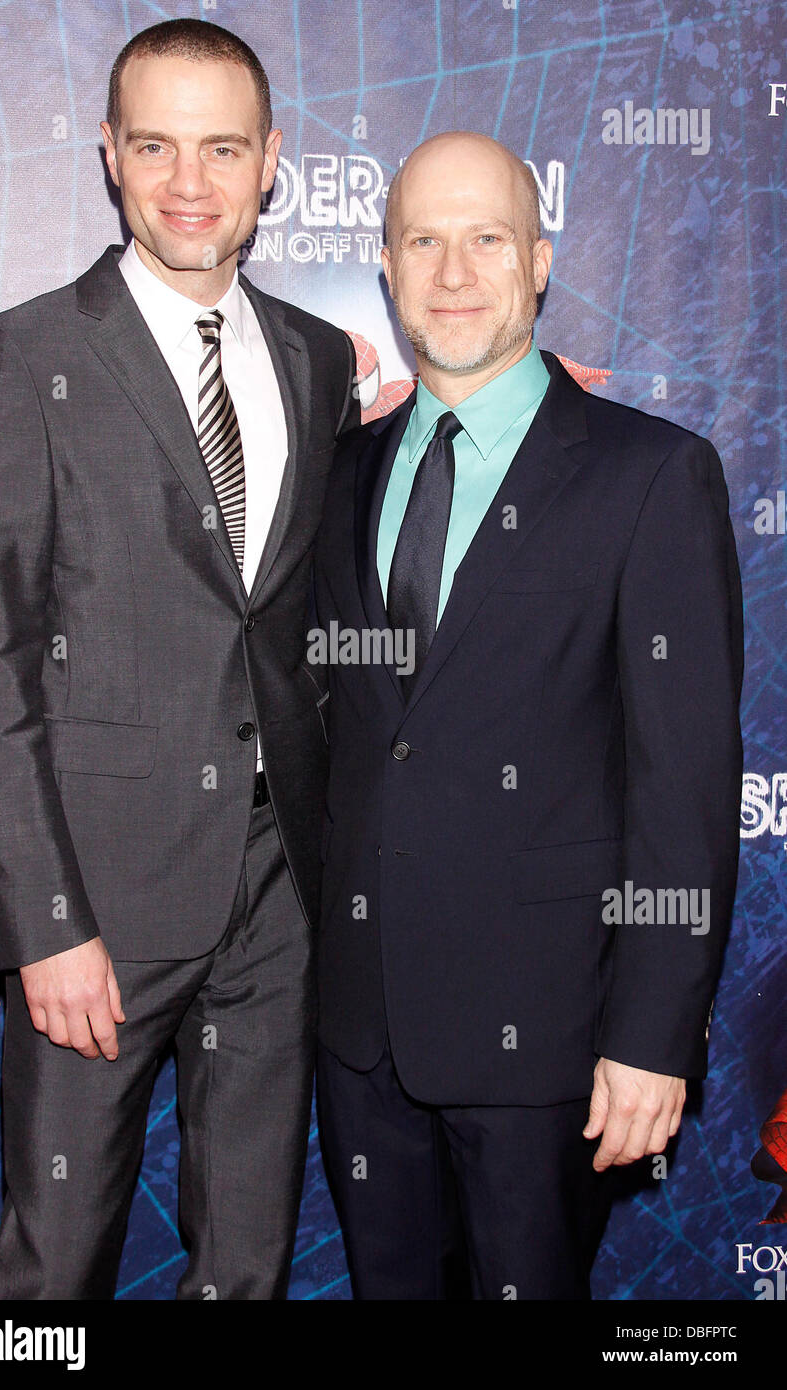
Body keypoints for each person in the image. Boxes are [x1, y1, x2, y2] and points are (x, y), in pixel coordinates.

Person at [0, 18, 358, 1300]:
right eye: (158, 145)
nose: (190, 182)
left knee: (248, 1269)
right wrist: (44, 927)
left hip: (280, 904)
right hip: (96, 914)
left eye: (222, 147)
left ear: (271, 161)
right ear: (110, 155)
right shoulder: (22, 356)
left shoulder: (318, 358)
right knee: (50, 1274)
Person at [312, 130, 744, 1299]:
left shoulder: (650, 476)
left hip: (549, 1037)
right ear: (387, 271)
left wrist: (654, 1036)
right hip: (360, 1034)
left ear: (540, 260)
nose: (454, 273)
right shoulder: (340, 473)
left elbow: (685, 787)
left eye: (487, 239)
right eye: (424, 242)